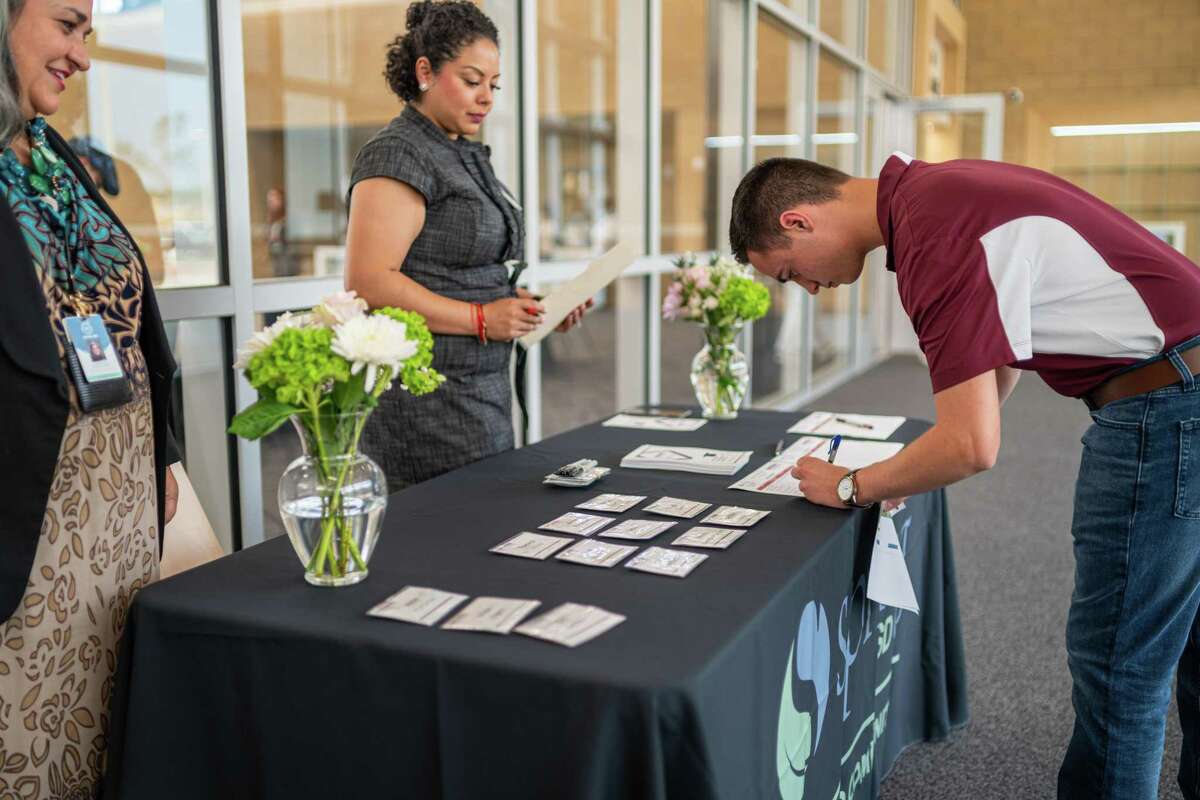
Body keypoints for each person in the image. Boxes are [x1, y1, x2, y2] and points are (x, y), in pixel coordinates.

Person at [729, 152, 1200, 799]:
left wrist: (854, 485)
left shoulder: (931, 232)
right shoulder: (937, 193)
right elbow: (999, 352)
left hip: (1167, 409)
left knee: (1121, 667)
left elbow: (973, 445)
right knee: (1189, 643)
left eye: (789, 273)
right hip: (1182, 383)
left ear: (799, 221)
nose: (808, 289)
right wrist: (906, 469)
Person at [0, 0, 179, 795]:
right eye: (67, 25)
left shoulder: (48, 151)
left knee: (112, 736)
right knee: (32, 749)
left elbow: (128, 319)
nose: (81, 55)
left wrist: (159, 450)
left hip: (117, 519)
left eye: (88, 35)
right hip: (28, 523)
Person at [345, 0, 588, 489]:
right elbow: (369, 282)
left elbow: (462, 272)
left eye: (493, 86)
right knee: (453, 536)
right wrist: (481, 318)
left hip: (479, 390)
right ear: (425, 72)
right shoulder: (399, 152)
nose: (486, 98)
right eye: (472, 80)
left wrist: (526, 309)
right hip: (428, 402)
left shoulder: (455, 150)